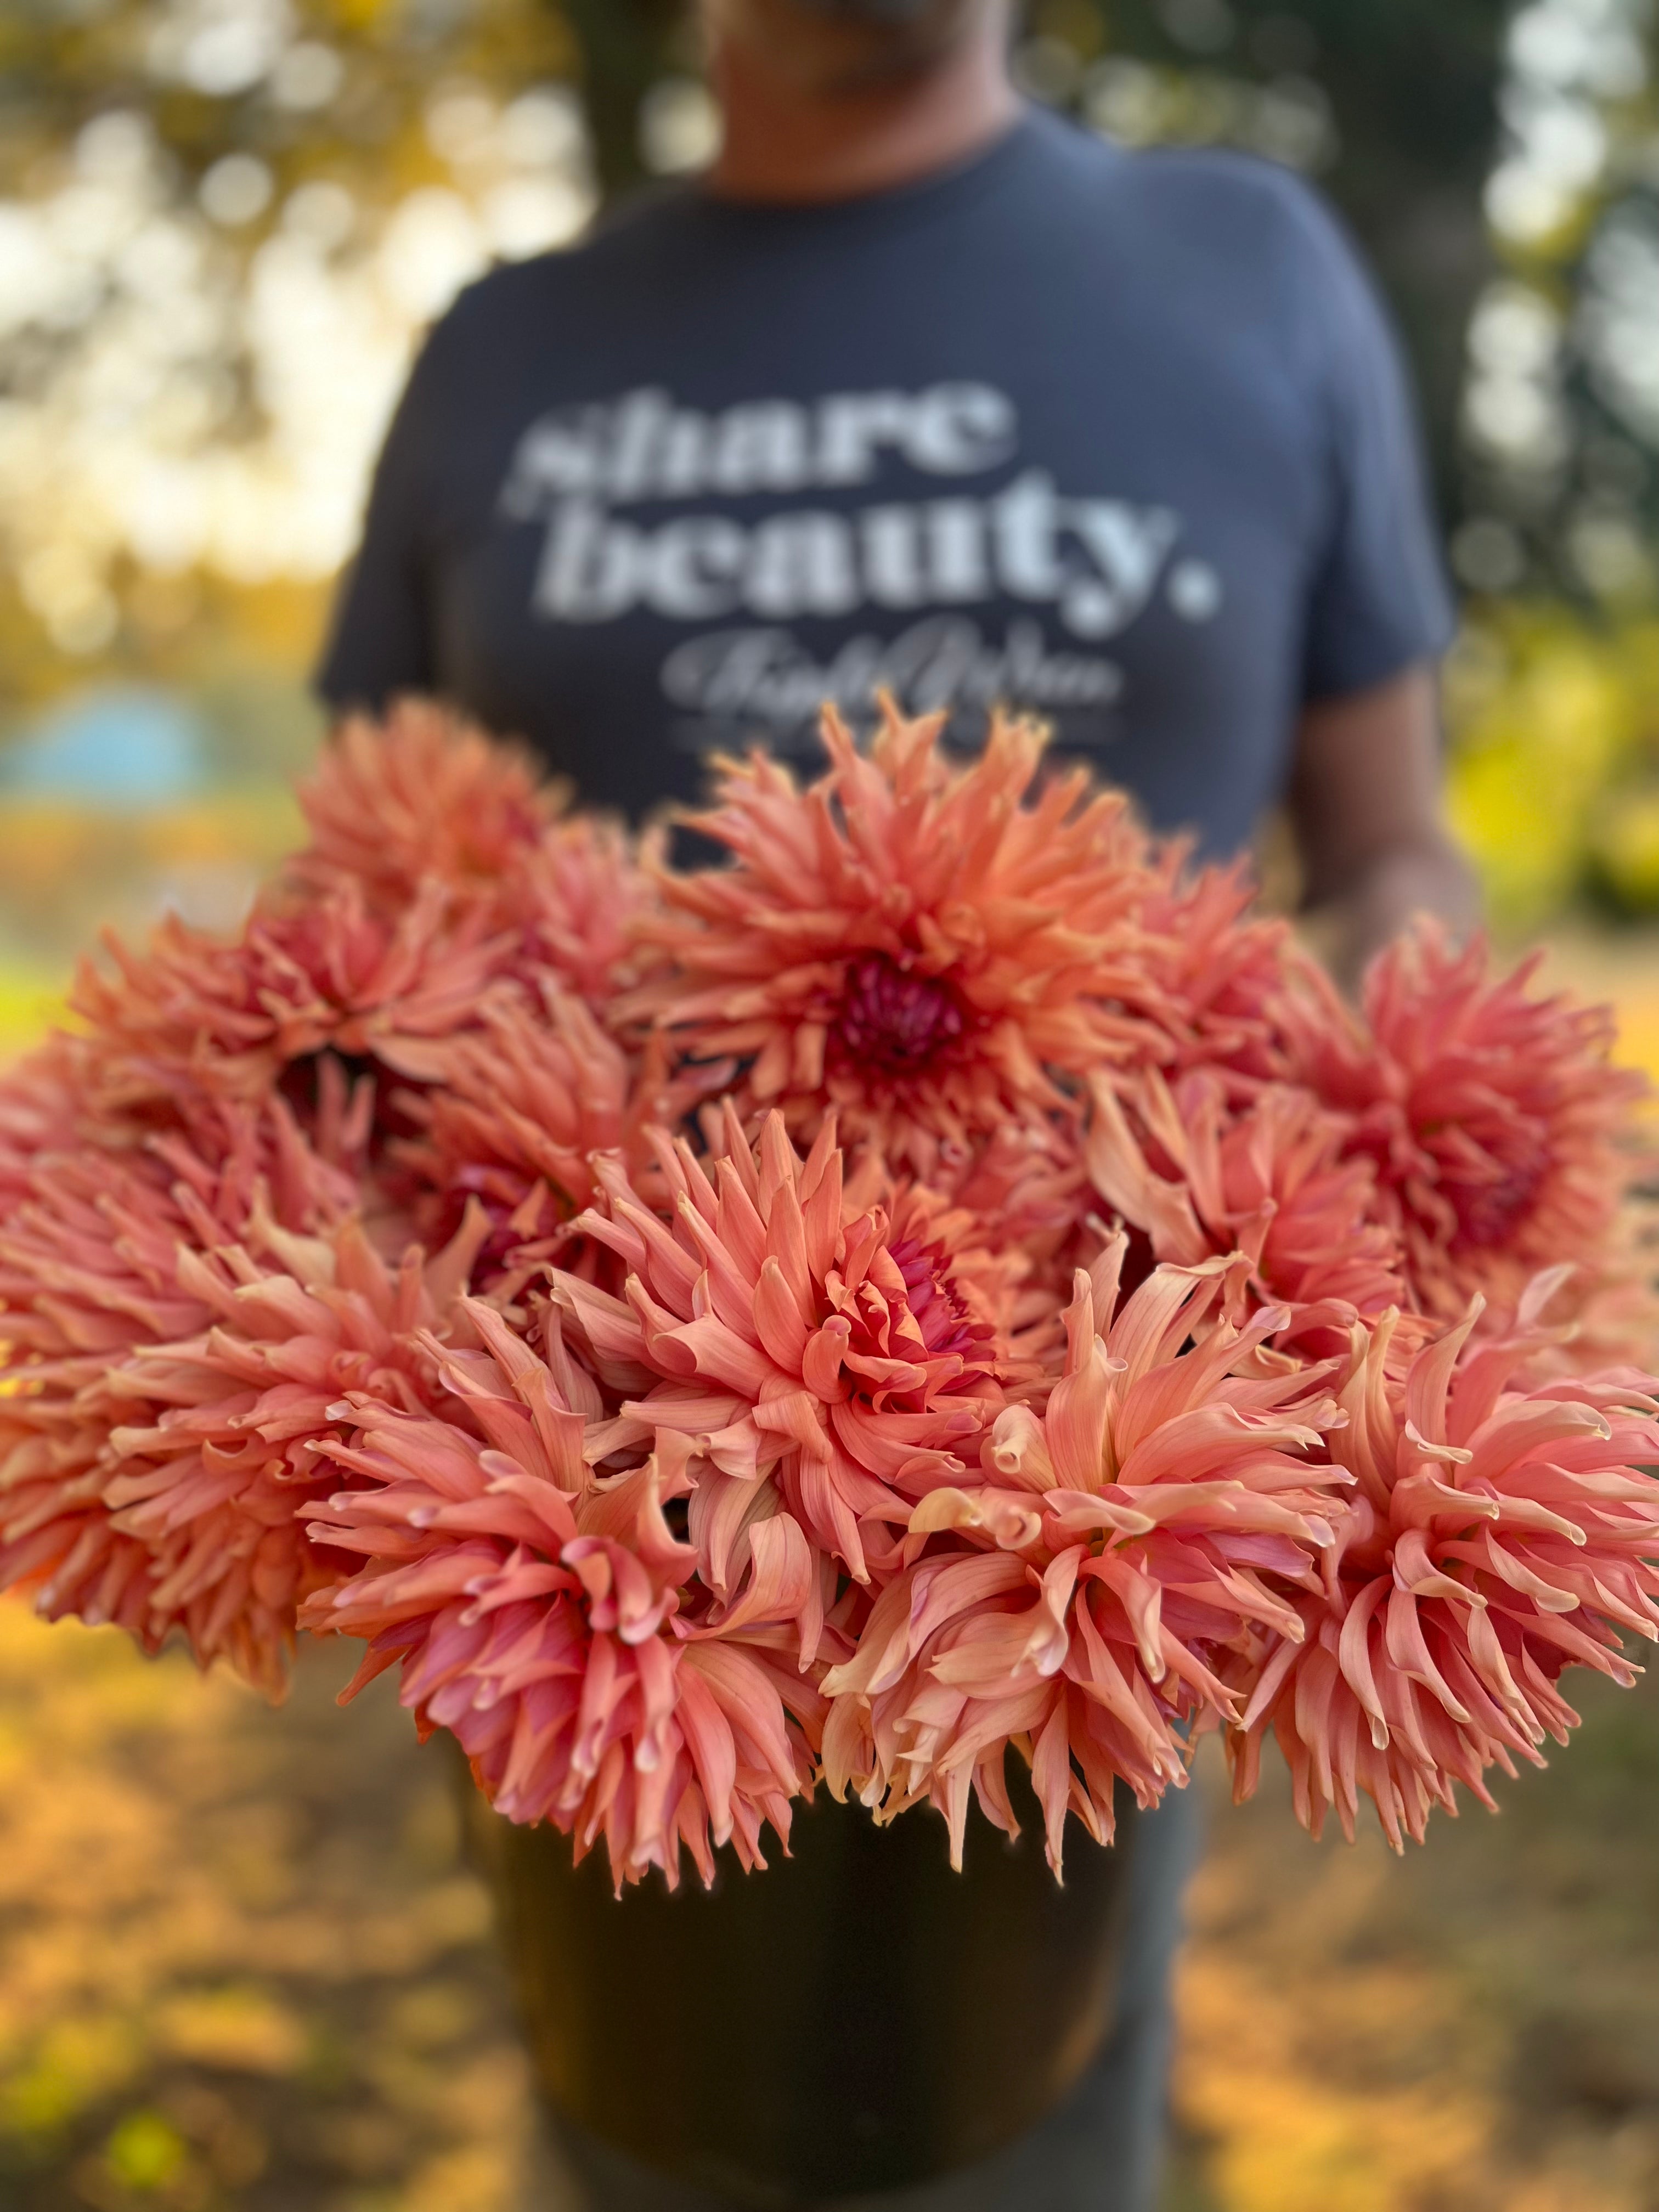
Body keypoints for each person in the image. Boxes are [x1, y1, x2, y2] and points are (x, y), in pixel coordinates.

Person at [317, 3, 1481, 2205]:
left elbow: (1394, 842)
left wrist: (1390, 1080)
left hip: (1115, 1493)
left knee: (1024, 2121)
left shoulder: (1250, 265)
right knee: (639, 2116)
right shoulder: (502, 347)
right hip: (575, 1493)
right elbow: (375, 871)